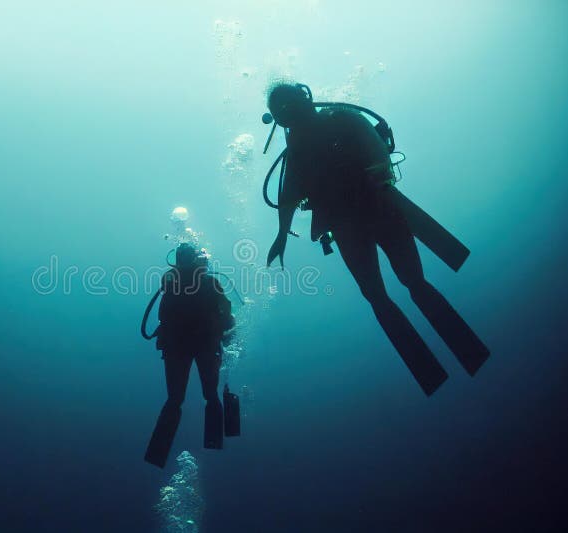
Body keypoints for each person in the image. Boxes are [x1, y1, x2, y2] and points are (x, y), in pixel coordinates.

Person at [265, 82, 489, 396]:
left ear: (304, 99)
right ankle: (451, 361)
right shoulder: (299, 151)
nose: (288, 115)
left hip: (376, 210)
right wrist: (281, 236)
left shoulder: (341, 118)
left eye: (287, 107)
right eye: (281, 112)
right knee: (381, 293)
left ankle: (455, 358)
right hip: (354, 221)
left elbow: (376, 151)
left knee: (410, 282)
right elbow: (288, 197)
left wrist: (381, 172)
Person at [144, 243, 235, 468]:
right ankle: (214, 444)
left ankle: (157, 454)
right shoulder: (210, 282)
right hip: (206, 345)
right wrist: (226, 333)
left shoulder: (170, 283)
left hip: (176, 347)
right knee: (211, 395)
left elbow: (162, 315)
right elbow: (227, 318)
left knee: (175, 399)